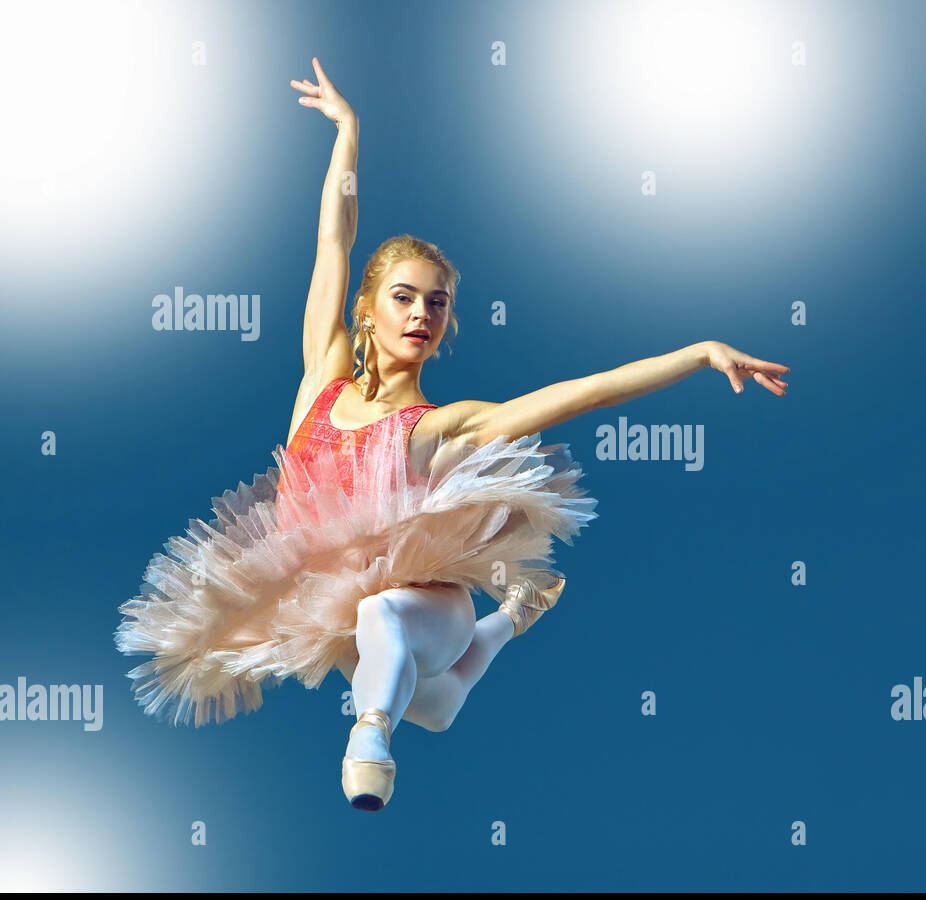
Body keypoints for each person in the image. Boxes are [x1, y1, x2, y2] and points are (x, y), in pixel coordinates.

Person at [115, 57, 790, 812]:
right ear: (368, 310)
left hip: (427, 602)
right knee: (435, 706)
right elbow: (332, 243)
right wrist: (349, 133)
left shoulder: (441, 426)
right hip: (349, 611)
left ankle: (370, 736)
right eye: (403, 297)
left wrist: (696, 355)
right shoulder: (320, 382)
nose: (421, 315)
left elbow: (579, 395)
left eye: (436, 304)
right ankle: (511, 624)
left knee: (383, 624)